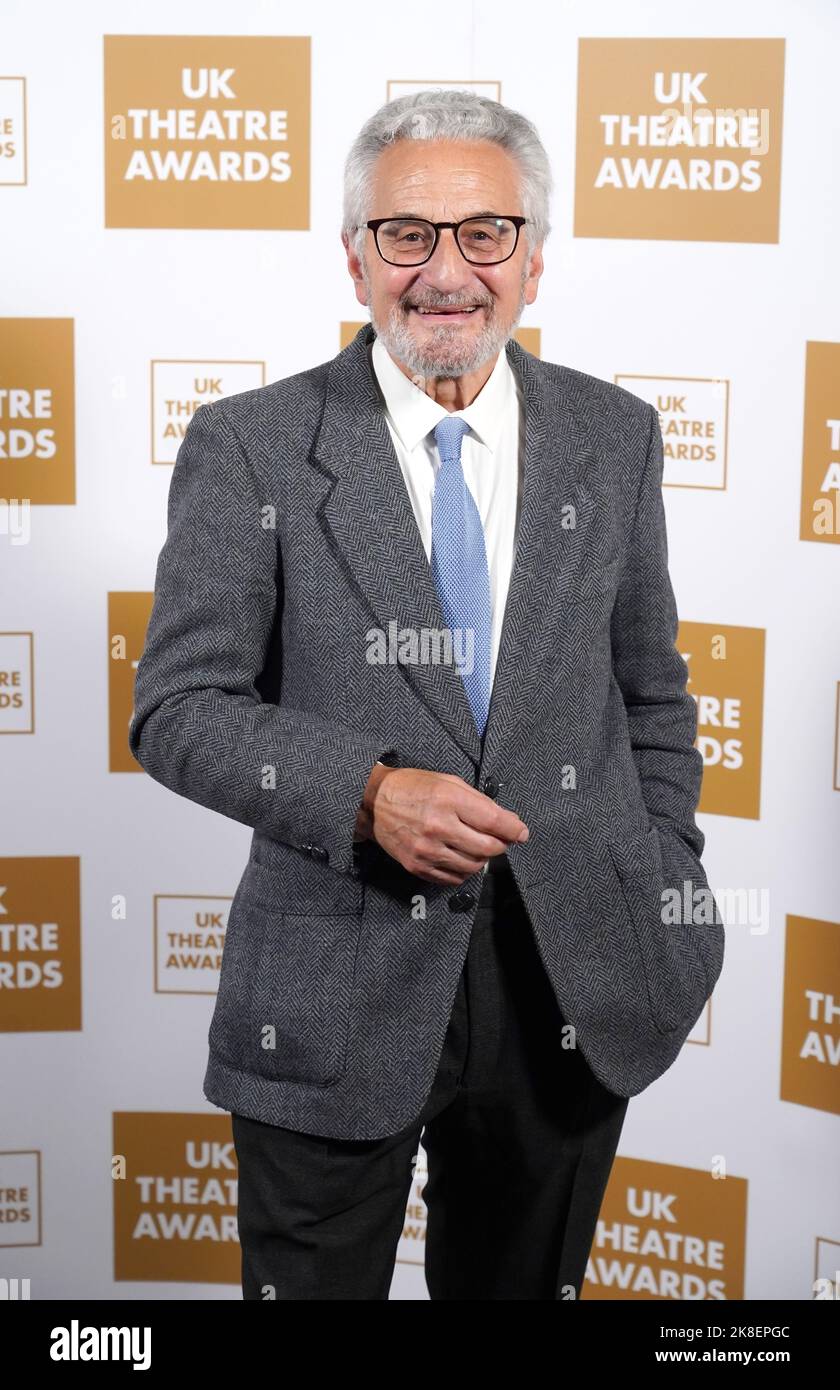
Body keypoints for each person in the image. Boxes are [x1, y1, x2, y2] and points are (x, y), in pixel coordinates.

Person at [128, 89, 724, 1301]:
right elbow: (179, 706)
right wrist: (366, 793)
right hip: (333, 987)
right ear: (355, 258)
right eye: (407, 234)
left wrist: (669, 875)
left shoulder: (615, 439)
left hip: (574, 977)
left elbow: (649, 689)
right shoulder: (250, 444)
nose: (445, 271)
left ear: (534, 261)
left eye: (484, 233)